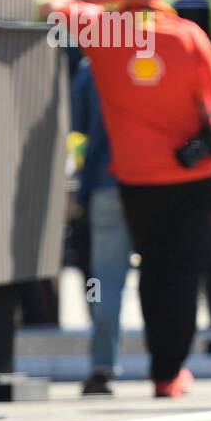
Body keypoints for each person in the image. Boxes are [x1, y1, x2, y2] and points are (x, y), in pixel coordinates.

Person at [41, 0, 211, 398]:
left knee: (153, 274)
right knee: (181, 278)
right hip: (192, 178)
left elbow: (51, 5)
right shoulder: (188, 36)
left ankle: (149, 369)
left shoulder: (101, 29)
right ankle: (167, 374)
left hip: (135, 180)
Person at [70, 58, 133, 396]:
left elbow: (75, 124)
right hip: (160, 184)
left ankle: (102, 367)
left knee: (106, 282)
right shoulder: (169, 47)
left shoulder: (93, 64)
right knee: (167, 279)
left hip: (105, 181)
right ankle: (168, 370)